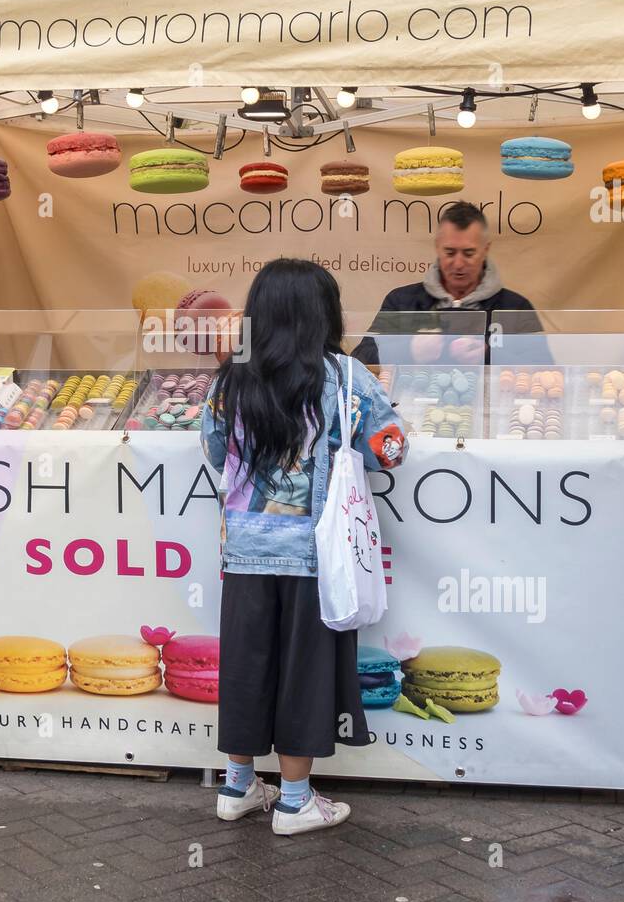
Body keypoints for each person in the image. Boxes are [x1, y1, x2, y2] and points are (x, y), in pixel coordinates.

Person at [200, 257, 408, 836]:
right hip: (316, 556)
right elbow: (390, 451)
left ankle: (237, 787)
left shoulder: (231, 377)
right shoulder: (344, 376)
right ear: (326, 313)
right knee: (303, 671)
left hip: (244, 549)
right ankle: (294, 802)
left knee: (247, 666)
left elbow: (215, 452)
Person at [354, 201, 541, 366]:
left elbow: (544, 369)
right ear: (437, 247)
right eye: (450, 253)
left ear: (485, 250)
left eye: (468, 253)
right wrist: (409, 350)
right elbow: (359, 359)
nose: (458, 263)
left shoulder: (516, 308)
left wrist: (489, 355)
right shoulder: (401, 301)